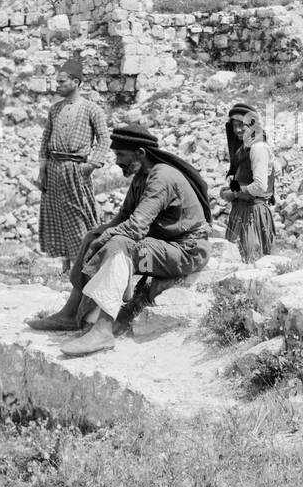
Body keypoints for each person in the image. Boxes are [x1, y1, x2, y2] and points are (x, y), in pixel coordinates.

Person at [27, 123, 212, 353]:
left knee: (119, 246)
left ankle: (103, 330)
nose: (116, 161)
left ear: (140, 154)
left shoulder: (162, 177)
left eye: (120, 155)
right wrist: (97, 238)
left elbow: (135, 227)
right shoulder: (141, 178)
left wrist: (106, 239)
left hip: (186, 250)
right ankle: (71, 313)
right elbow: (122, 218)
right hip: (166, 244)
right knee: (94, 235)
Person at [36, 59, 111, 273]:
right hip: (53, 168)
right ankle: (66, 267)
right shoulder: (54, 109)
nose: (56, 85)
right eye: (56, 81)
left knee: (80, 215)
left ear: (75, 82)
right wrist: (42, 171)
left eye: (61, 81)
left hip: (76, 168)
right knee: (57, 215)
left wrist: (91, 165)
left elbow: (104, 140)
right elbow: (45, 141)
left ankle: (86, 265)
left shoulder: (91, 109)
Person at [221, 102, 276, 263]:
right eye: (234, 125)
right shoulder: (245, 147)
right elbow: (246, 179)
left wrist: (234, 193)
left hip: (252, 215)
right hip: (241, 212)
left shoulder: (258, 148)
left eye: (241, 125)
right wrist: (229, 188)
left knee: (250, 263)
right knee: (235, 264)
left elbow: (260, 186)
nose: (237, 130)